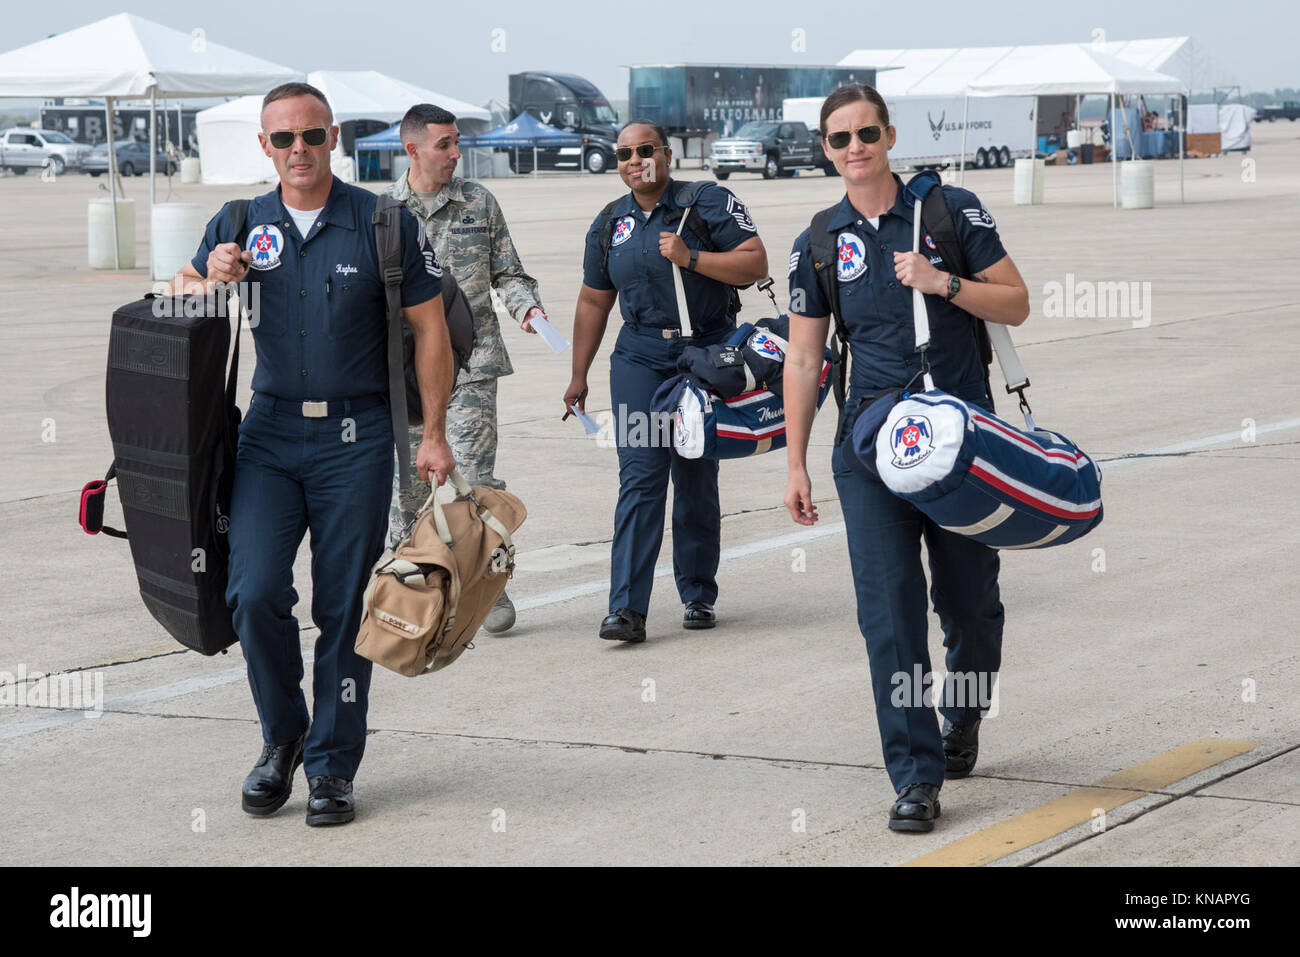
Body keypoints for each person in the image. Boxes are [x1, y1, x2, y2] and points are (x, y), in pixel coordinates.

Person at [170, 82, 456, 827]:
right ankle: (283, 733)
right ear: (264, 147)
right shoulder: (240, 223)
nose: (299, 150)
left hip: (355, 440)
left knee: (341, 607)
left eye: (313, 136)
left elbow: (432, 329)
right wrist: (208, 277)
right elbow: (179, 291)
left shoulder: (382, 222)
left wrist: (432, 433)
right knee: (253, 592)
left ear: (335, 138)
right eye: (284, 139)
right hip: (267, 435)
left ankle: (332, 766)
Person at [782, 85, 1030, 833]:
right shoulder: (819, 240)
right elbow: (802, 358)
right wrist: (793, 460)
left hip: (961, 445)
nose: (853, 147)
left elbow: (1015, 301)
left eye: (865, 133)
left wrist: (943, 282)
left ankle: (965, 713)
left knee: (969, 603)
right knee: (888, 614)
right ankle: (915, 774)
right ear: (826, 149)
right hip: (869, 447)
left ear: (888, 135)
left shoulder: (951, 210)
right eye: (837, 139)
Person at [565, 120, 768, 643]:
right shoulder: (611, 222)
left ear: (667, 154)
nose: (635, 160)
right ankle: (626, 610)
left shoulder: (707, 202)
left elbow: (753, 262)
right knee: (640, 475)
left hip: (704, 354)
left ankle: (698, 592)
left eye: (645, 150)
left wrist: (691, 257)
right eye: (625, 153)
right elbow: (594, 299)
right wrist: (578, 373)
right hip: (639, 359)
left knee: (696, 473)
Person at [386, 103, 547, 636]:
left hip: (472, 366)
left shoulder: (480, 201)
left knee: (471, 482)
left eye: (457, 143)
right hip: (403, 378)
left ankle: (481, 586)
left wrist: (528, 308)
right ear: (413, 150)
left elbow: (509, 270)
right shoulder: (382, 212)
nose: (457, 154)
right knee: (408, 491)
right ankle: (407, 595)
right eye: (445, 145)